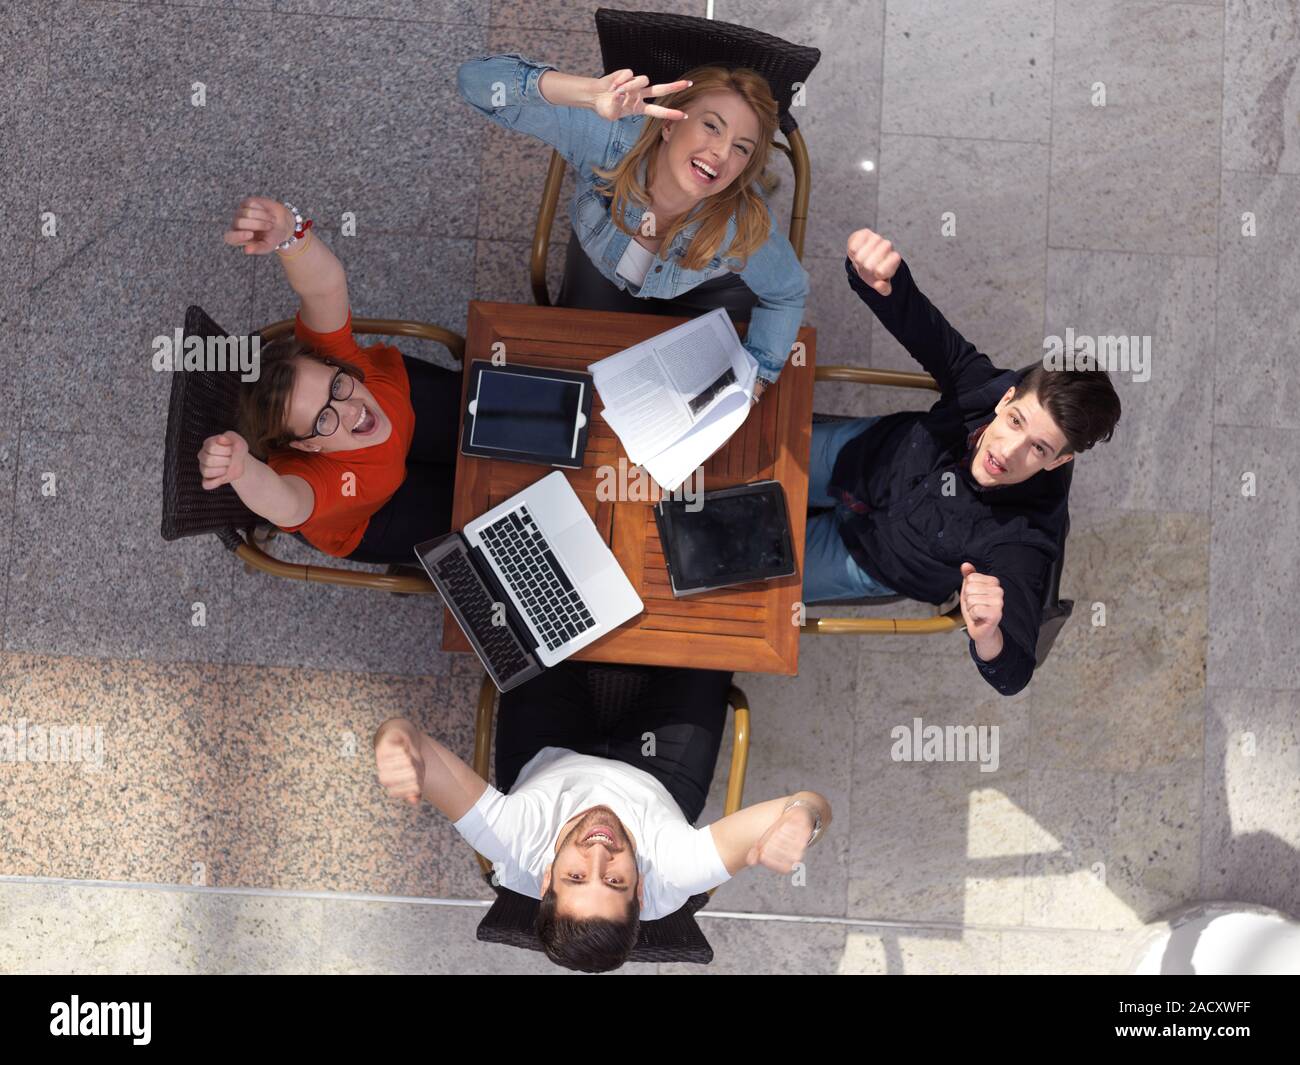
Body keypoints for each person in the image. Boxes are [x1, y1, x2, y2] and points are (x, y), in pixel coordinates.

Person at [804, 227, 1123, 697]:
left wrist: (989, 633)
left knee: (732, 562)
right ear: (1007, 398)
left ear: (1059, 461)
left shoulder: (1026, 535)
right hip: (861, 458)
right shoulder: (983, 387)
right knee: (726, 461)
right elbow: (919, 322)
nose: (1006, 453)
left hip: (873, 559)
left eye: (1038, 448)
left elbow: (1014, 674)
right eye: (1015, 422)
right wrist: (879, 276)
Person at [373, 662, 832, 973]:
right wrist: (800, 820)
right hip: (657, 774)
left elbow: (411, 739)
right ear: (643, 889)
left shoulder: (513, 842)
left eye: (574, 876)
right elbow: (809, 803)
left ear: (545, 875)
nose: (598, 853)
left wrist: (394, 743)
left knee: (539, 614)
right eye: (614, 882)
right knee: (707, 639)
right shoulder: (675, 872)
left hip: (550, 754)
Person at [457, 52, 809, 400]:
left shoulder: (742, 224)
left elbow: (787, 294)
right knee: (580, 379)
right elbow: (473, 83)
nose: (720, 152)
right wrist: (585, 93)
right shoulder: (609, 140)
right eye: (711, 126)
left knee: (699, 396)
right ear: (669, 126)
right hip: (604, 267)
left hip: (710, 287)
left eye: (741, 148)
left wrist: (758, 379)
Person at [195, 196, 462, 565]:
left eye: (337, 387)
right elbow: (289, 504)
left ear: (335, 364)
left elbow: (325, 288)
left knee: (510, 424)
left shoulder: (341, 361)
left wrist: (291, 237)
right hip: (372, 514)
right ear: (305, 447)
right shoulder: (312, 474)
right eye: (323, 419)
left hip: (407, 412)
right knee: (487, 525)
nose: (352, 409)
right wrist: (241, 470)